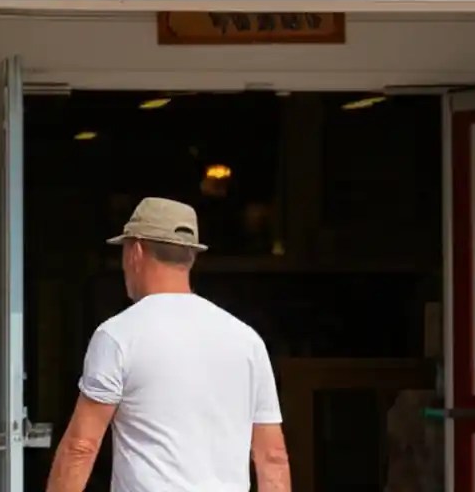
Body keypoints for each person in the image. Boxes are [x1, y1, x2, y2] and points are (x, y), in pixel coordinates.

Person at [46, 197, 291, 492]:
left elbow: (81, 448)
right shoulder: (247, 340)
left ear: (135, 251)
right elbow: (272, 458)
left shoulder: (118, 335)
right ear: (190, 257)